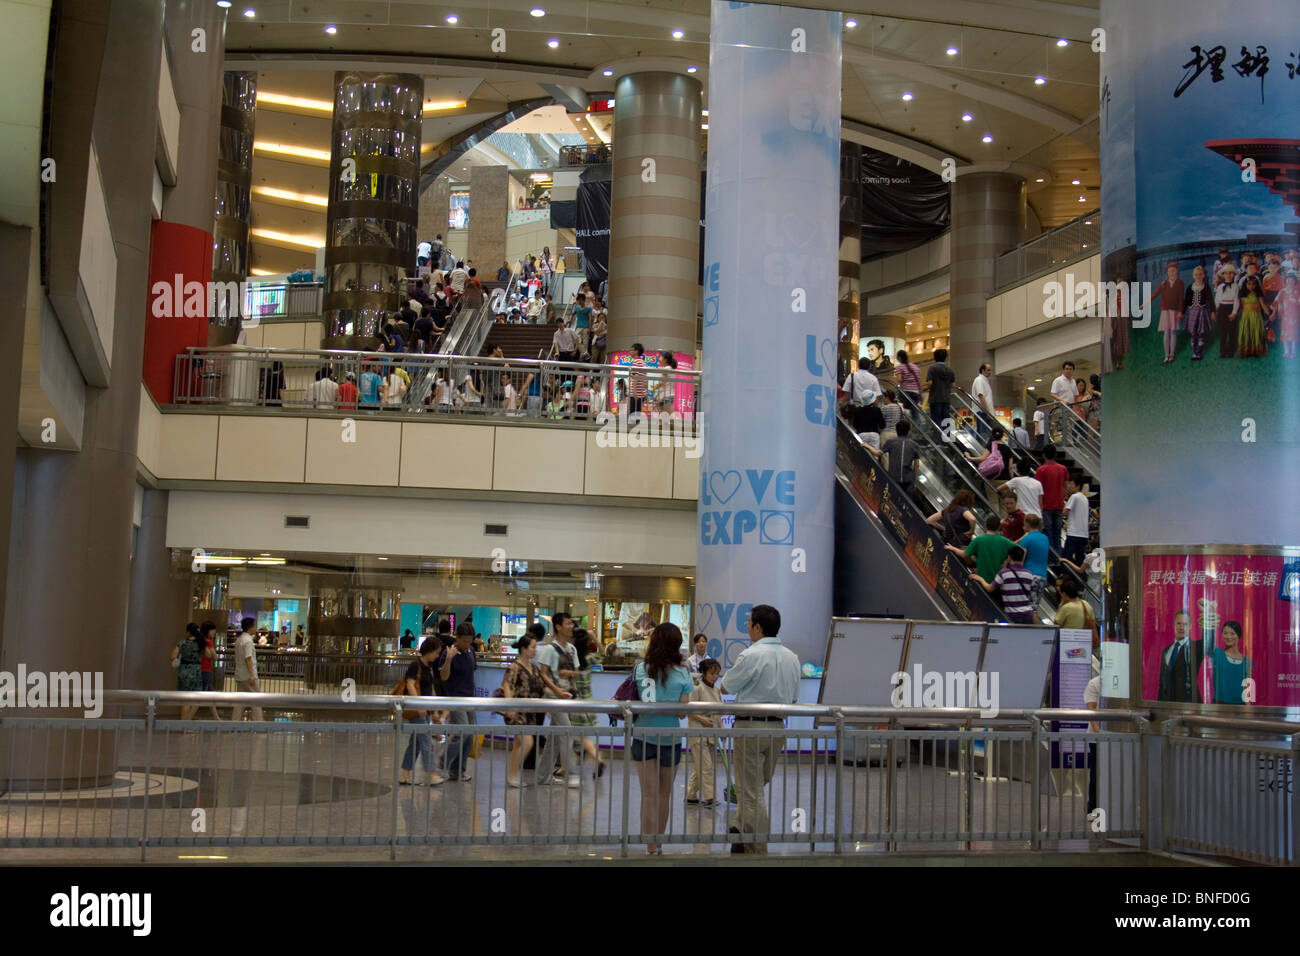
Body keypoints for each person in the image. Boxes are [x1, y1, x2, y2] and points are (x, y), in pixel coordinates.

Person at [718, 604, 800, 855]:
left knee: (750, 790)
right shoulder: (792, 658)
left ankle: (757, 848)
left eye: (749, 622)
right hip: (777, 729)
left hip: (750, 727)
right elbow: (794, 697)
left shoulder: (750, 655)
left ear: (758, 627)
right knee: (755, 786)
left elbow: (726, 687)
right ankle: (740, 829)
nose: (747, 627)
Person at [631, 622, 694, 854]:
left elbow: (640, 699)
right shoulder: (683, 674)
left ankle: (649, 846)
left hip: (642, 735)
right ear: (677, 645)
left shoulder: (641, 669)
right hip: (671, 738)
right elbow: (682, 712)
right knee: (664, 794)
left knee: (648, 795)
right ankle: (658, 842)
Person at [535, 612, 581, 787]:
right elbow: (543, 674)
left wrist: (569, 674)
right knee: (567, 731)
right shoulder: (549, 649)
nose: (571, 626)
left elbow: (576, 671)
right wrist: (556, 691)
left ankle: (543, 776)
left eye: (571, 623)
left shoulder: (572, 649)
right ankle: (571, 773)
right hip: (553, 699)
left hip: (567, 697)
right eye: (567, 623)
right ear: (558, 627)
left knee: (554, 738)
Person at [502, 634, 548, 787]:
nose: (535, 650)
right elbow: (507, 685)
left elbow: (542, 687)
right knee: (527, 742)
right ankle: (512, 775)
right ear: (523, 649)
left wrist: (559, 693)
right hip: (517, 712)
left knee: (518, 745)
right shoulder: (514, 667)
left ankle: (512, 775)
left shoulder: (533, 668)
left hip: (530, 713)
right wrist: (510, 707)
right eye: (533, 647)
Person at [399, 637, 446, 786]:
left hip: (424, 709)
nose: (437, 656)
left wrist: (434, 710)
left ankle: (404, 773)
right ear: (429, 650)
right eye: (437, 652)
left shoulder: (429, 667)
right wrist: (418, 704)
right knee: (426, 742)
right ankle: (431, 774)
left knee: (416, 743)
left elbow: (430, 689)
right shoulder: (416, 665)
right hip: (417, 710)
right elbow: (410, 684)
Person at [436, 622, 478, 781]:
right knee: (463, 731)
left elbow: (472, 673)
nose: (467, 644)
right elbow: (444, 677)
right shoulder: (449, 653)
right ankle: (443, 761)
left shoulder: (471, 651)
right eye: (465, 641)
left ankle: (458, 770)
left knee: (470, 735)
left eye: (470, 641)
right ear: (457, 638)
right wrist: (448, 659)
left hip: (469, 698)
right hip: (455, 697)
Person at [686, 658, 724, 807]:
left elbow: (719, 711)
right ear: (704, 673)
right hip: (698, 732)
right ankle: (709, 797)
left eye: (717, 674)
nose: (715, 677)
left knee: (701, 766)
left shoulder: (716, 690)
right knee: (706, 766)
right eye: (712, 673)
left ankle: (690, 795)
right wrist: (702, 719)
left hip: (712, 733)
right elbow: (688, 709)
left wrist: (721, 726)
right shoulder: (697, 687)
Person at [569, 627, 606, 776]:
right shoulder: (589, 658)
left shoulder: (571, 659)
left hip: (576, 703)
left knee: (579, 736)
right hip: (588, 701)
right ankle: (578, 757)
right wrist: (595, 638)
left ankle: (598, 759)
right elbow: (604, 653)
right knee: (579, 735)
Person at [970, 546, 1038, 624]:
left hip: (1012, 615)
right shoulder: (1029, 574)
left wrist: (980, 579)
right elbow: (1031, 595)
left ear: (1009, 557)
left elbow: (989, 588)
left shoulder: (1004, 573)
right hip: (1028, 615)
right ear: (1022, 558)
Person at [1141, 261, 1185, 364]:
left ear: (1176, 271)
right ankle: (1166, 355)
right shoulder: (1164, 284)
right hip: (1165, 311)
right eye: (1170, 271)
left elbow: (1181, 299)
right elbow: (1155, 294)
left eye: (1173, 271)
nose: (1171, 273)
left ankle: (1172, 355)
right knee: (1166, 332)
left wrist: (1180, 312)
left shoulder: (1180, 283)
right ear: (1167, 273)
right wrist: (1145, 304)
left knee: (1173, 332)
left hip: (1174, 311)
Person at [1156, 609, 1203, 703]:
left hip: (1189, 705)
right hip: (1167, 705)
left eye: (1185, 624)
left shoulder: (1196, 647)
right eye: (1178, 623)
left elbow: (1209, 643)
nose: (1181, 627)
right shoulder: (1166, 650)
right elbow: (1163, 682)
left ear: (1190, 626)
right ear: (1173, 625)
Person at [951, 514, 1015, 582]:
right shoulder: (1004, 541)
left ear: (986, 525)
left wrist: (952, 548)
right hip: (995, 582)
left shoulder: (979, 539)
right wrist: (1007, 562)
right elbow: (1021, 550)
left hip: (980, 578)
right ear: (998, 528)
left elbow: (964, 554)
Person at [1034, 445, 1069, 558]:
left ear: (1044, 455)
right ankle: (1059, 557)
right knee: (1057, 532)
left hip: (1046, 506)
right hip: (1059, 504)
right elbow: (1066, 485)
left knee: (1047, 532)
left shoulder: (1041, 470)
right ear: (1055, 455)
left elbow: (1037, 489)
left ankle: (1051, 557)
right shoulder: (1063, 469)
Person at [1208, 621, 1252, 705]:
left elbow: (1247, 691)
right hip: (1219, 705)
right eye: (1225, 633)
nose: (1228, 637)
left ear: (1239, 635)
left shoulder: (1248, 661)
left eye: (1232, 633)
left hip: (1240, 707)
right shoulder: (1217, 654)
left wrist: (1248, 710)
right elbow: (1208, 638)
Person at [230, 617, 263, 723]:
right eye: (254, 626)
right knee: (256, 700)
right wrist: (252, 675)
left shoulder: (240, 639)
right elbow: (248, 658)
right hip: (248, 676)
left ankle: (235, 722)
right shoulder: (248, 641)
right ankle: (258, 722)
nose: (256, 628)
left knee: (239, 701)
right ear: (250, 627)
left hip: (240, 674)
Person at [171, 623, 206, 720]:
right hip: (196, 671)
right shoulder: (200, 643)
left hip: (184, 671)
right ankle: (187, 723)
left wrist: (181, 657)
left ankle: (184, 723)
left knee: (185, 700)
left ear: (188, 632)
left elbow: (173, 656)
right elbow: (207, 655)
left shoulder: (182, 643)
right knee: (196, 699)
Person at [1233, 274, 1272, 359]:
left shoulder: (1258, 294)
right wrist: (1235, 313)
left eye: (1253, 284)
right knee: (1247, 332)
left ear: (1256, 285)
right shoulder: (1242, 295)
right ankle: (1247, 351)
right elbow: (1240, 306)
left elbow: (1263, 305)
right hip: (1246, 317)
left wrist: (1269, 313)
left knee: (1256, 331)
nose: (1251, 286)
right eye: (1249, 284)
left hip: (1256, 316)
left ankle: (1256, 351)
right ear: (1245, 284)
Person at [1017, 513, 1051, 610]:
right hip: (1042, 576)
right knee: (1034, 608)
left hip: (1029, 575)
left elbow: (1021, 560)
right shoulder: (1045, 538)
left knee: (1024, 608)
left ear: (1027, 524)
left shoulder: (1026, 539)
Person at [1183, 265, 1214, 361]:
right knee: (1193, 333)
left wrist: (1213, 311)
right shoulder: (1189, 287)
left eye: (1200, 274)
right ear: (1193, 276)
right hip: (1192, 312)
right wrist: (1181, 312)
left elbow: (1211, 300)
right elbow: (1186, 301)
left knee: (1201, 333)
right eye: (1196, 274)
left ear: (1203, 275)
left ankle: (1199, 353)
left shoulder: (1206, 287)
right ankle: (1194, 352)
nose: (1198, 276)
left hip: (1202, 312)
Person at [924, 347, 956, 430]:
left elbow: (930, 383)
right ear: (945, 357)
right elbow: (953, 385)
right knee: (946, 420)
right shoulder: (950, 370)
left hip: (935, 398)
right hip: (946, 398)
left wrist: (927, 388)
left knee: (936, 420)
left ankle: (937, 441)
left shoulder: (932, 368)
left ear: (935, 357)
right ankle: (947, 441)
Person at [1063, 476, 1090, 565]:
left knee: (1066, 558)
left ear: (1078, 486)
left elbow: (1065, 512)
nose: (1069, 486)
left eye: (1071, 483)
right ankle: (1080, 577)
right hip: (1084, 535)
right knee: (1080, 560)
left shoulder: (1074, 496)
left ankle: (1068, 577)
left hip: (1073, 534)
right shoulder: (1085, 498)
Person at [894, 349, 923, 424]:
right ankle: (918, 430)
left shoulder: (899, 367)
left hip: (905, 392)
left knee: (899, 408)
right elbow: (919, 379)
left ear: (899, 358)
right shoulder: (915, 367)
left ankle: (900, 424)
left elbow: (899, 379)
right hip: (916, 392)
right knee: (914, 411)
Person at [1049, 361, 1076, 442]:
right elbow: (1052, 394)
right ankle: (1060, 441)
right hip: (1059, 407)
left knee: (1069, 426)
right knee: (1061, 425)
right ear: (1063, 370)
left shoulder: (1073, 381)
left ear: (1073, 370)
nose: (1068, 371)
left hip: (1070, 408)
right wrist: (1062, 400)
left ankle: (1068, 441)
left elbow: (1075, 395)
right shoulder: (1058, 380)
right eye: (1066, 369)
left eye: (1070, 369)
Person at [1276, 272, 1300, 359]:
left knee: (1294, 334)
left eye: (1292, 280)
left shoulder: (1298, 292)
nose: (1290, 282)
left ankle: (1293, 352)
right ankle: (1286, 351)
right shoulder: (1282, 291)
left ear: (1295, 281)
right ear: (1285, 281)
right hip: (1285, 316)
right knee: (1285, 333)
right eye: (1288, 280)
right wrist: (1280, 312)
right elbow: (1279, 303)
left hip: (1295, 316)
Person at [970, 362, 996, 442]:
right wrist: (987, 411)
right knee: (982, 433)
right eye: (988, 370)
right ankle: (982, 451)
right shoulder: (979, 380)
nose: (990, 372)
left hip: (986, 411)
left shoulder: (985, 381)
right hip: (982, 411)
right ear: (982, 370)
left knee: (987, 433)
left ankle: (986, 451)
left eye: (990, 370)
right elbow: (981, 395)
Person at [627, 342, 648, 415]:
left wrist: (635, 392)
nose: (630, 352)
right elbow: (645, 379)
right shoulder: (643, 362)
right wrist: (645, 391)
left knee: (632, 415)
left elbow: (635, 377)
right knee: (638, 414)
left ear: (636, 351)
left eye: (631, 350)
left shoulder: (636, 362)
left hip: (635, 393)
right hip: (641, 393)